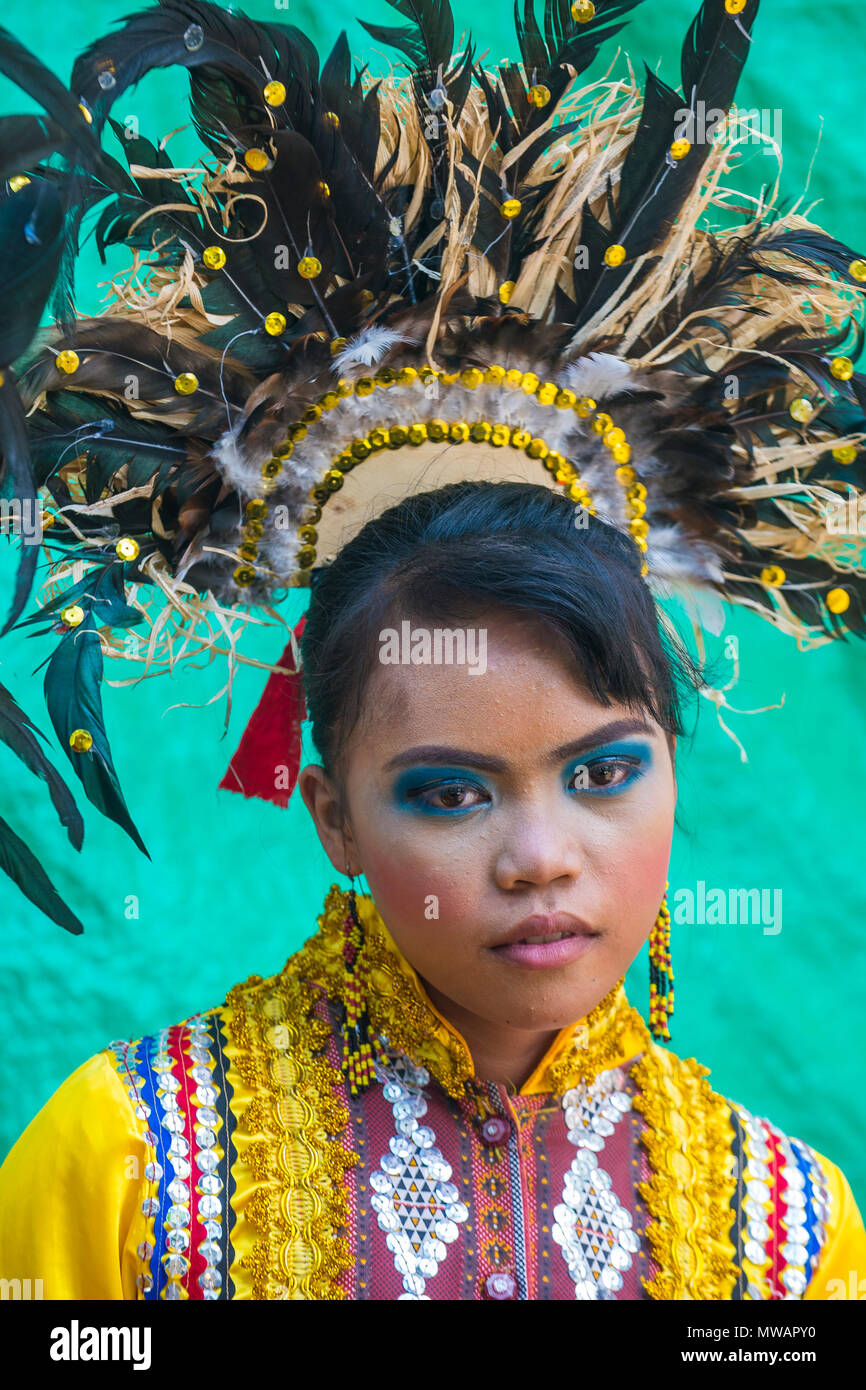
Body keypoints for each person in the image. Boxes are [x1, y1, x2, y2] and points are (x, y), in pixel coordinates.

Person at [0, 0, 865, 1299]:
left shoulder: (789, 1232)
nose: (539, 858)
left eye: (603, 771)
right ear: (332, 812)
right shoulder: (128, 1169)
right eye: (447, 791)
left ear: (673, 764)